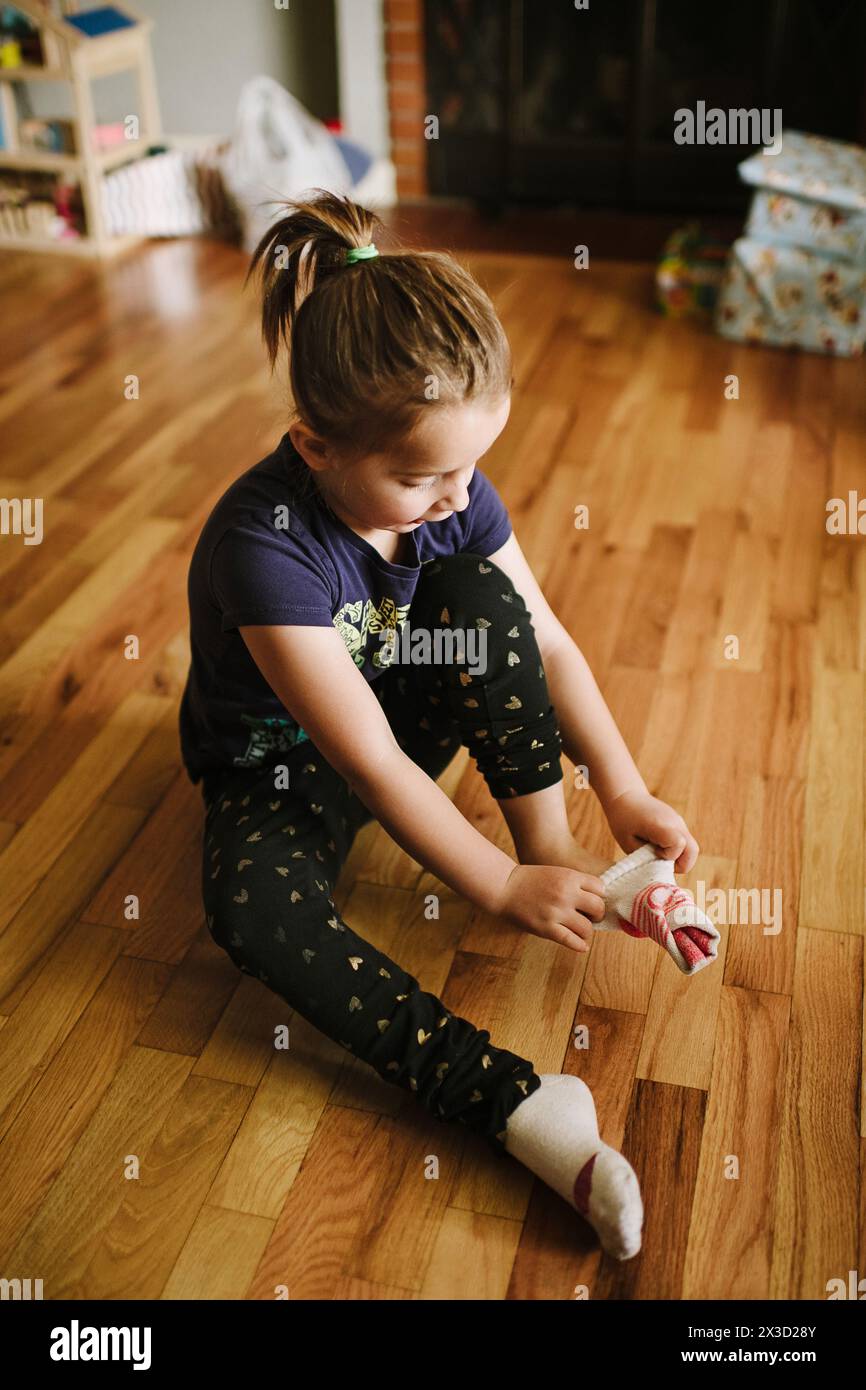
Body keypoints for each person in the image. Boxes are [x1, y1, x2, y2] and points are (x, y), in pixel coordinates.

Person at [178, 189, 704, 1263]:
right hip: (284, 766)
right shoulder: (262, 546)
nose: (455, 496)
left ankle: (563, 858)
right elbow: (365, 764)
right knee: (247, 909)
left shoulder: (449, 493)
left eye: (469, 467)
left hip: (395, 708)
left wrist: (619, 786)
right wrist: (491, 887)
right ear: (313, 445)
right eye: (421, 477)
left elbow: (546, 642)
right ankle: (515, 1104)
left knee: (477, 598)